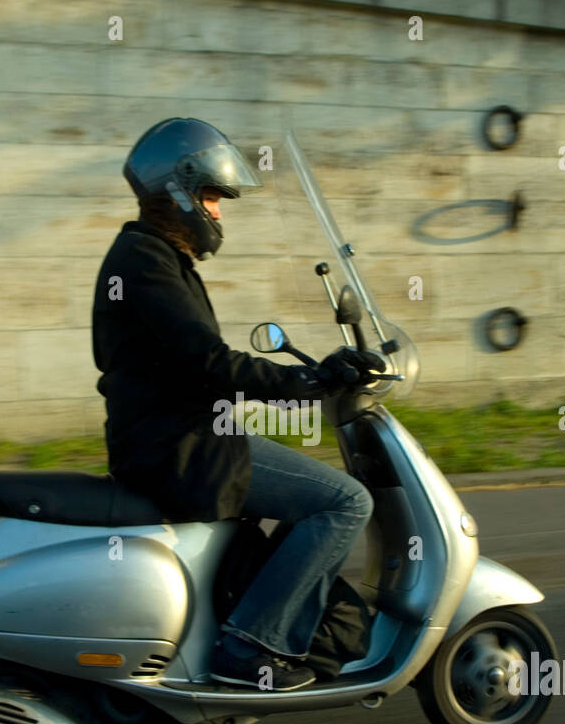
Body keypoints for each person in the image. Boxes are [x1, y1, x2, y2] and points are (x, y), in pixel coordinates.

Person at [92, 117, 380, 691]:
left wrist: (303, 381)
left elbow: (196, 369)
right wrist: (307, 381)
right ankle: (253, 645)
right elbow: (211, 365)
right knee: (345, 502)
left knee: (313, 497)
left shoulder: (150, 257)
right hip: (179, 448)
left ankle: (270, 616)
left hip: (178, 436)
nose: (218, 212)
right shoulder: (145, 262)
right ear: (177, 192)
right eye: (211, 197)